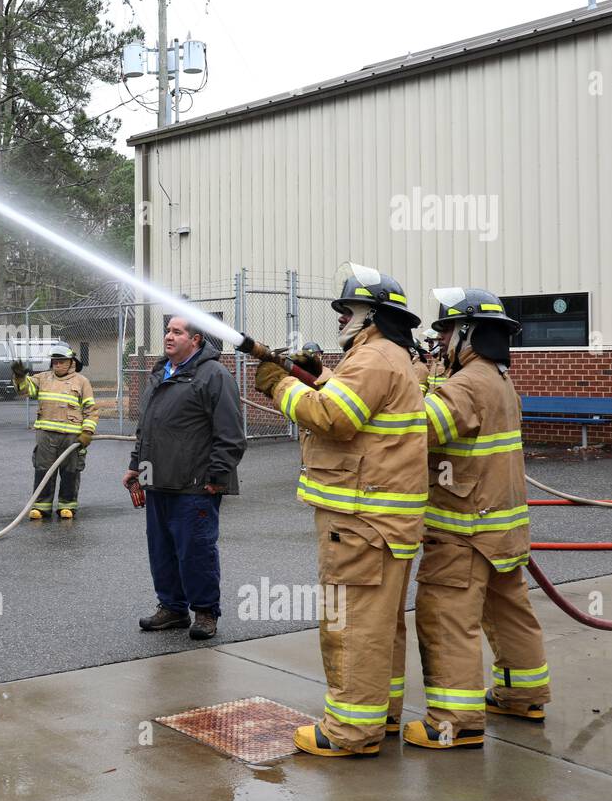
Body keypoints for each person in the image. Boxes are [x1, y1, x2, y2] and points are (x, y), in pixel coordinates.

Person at [255, 263, 426, 757]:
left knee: (351, 626)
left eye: (347, 310)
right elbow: (350, 399)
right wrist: (314, 375)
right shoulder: (387, 357)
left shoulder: (372, 359)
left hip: (361, 522)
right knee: (380, 626)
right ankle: (382, 716)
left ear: (370, 315)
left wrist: (280, 385)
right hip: (383, 523)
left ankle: (351, 732)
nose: (339, 319)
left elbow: (337, 416)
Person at [403, 288, 550, 749]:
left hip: (463, 528)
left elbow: (417, 434)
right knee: (509, 611)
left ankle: (454, 722)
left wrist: (411, 384)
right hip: (503, 528)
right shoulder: (498, 378)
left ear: (467, 332)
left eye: (445, 330)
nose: (440, 339)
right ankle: (522, 694)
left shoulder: (466, 385)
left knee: (447, 617)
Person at [126, 316, 246, 641]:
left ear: (195, 340)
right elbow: (146, 428)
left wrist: (217, 477)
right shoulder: (160, 373)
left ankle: (205, 612)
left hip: (195, 484)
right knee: (161, 548)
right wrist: (136, 467)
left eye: (177, 332)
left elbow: (231, 434)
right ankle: (172, 608)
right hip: (157, 478)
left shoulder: (214, 375)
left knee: (196, 549)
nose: (168, 336)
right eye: (167, 330)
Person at [12, 345, 99, 520]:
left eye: (61, 361)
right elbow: (24, 389)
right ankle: (41, 506)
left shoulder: (82, 382)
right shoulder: (43, 378)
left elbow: (91, 409)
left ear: (71, 362)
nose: (57, 364)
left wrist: (87, 432)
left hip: (72, 437)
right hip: (46, 434)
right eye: (55, 361)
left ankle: (67, 505)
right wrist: (20, 376)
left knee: (70, 471)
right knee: (43, 469)